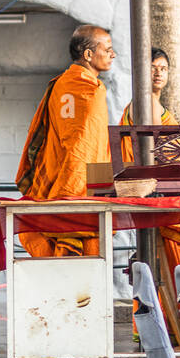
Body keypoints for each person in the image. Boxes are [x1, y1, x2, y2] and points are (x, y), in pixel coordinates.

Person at [14, 24, 114, 258]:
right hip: (79, 190)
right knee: (84, 267)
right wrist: (73, 193)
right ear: (88, 55)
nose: (113, 54)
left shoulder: (61, 84)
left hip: (58, 183)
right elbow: (84, 147)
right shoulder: (91, 89)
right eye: (108, 49)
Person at [118, 47, 180, 269]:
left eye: (163, 68)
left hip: (154, 185)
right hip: (156, 188)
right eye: (153, 68)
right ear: (140, 71)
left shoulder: (151, 102)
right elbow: (160, 150)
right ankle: (167, 302)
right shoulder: (146, 102)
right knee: (166, 262)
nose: (159, 73)